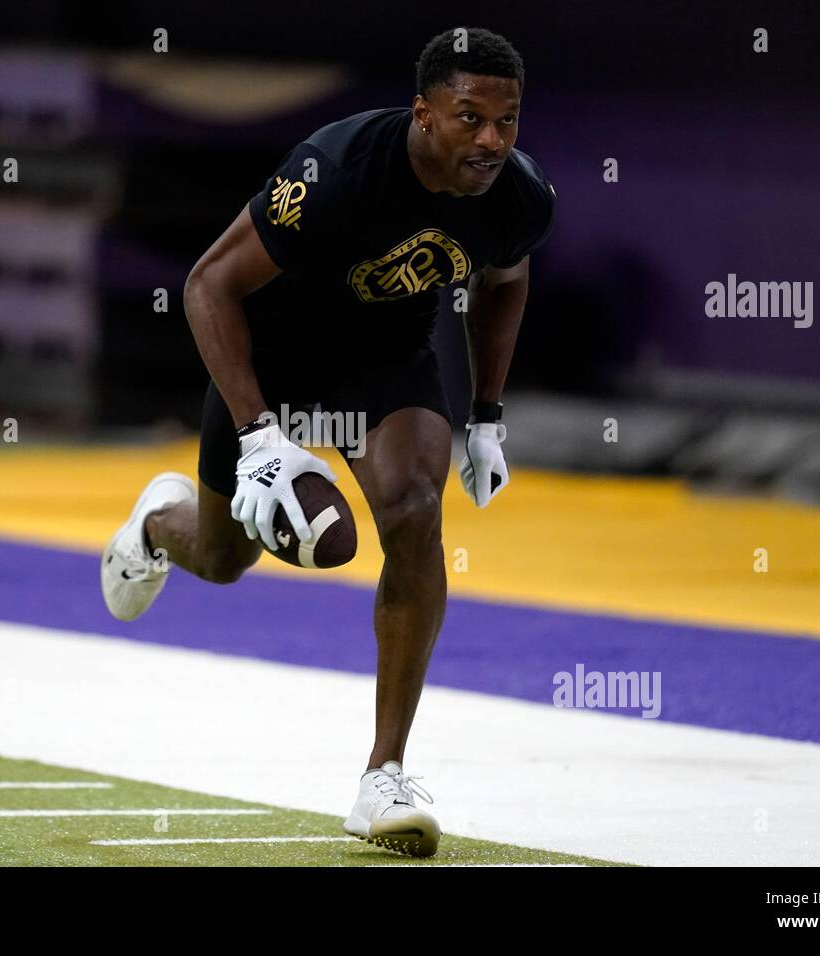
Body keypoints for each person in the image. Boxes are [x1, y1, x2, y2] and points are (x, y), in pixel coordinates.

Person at [102, 27, 555, 857]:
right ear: (423, 114)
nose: (491, 140)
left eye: (507, 120)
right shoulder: (336, 171)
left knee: (416, 514)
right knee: (224, 556)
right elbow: (208, 283)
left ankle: (382, 775)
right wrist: (258, 436)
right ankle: (157, 526)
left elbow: (508, 276)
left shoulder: (519, 196)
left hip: (384, 362)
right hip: (270, 363)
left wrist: (486, 411)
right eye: (469, 117)